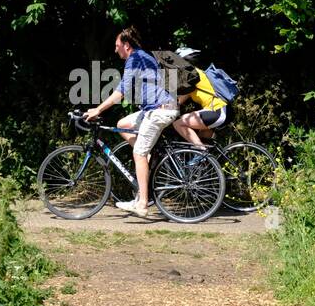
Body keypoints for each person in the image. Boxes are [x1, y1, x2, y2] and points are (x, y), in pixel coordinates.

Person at [84, 26, 178, 216]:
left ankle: (142, 203)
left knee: (138, 153)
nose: (115, 49)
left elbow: (121, 91)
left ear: (126, 45)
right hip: (154, 109)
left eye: (117, 45)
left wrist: (98, 109)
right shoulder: (143, 56)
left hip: (160, 110)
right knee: (123, 125)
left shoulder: (135, 58)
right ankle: (146, 157)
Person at [171, 47, 229, 148]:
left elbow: (175, 100)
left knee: (178, 124)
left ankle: (201, 151)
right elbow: (179, 100)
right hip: (222, 110)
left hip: (217, 111)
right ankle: (206, 159)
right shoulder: (196, 74)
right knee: (202, 140)